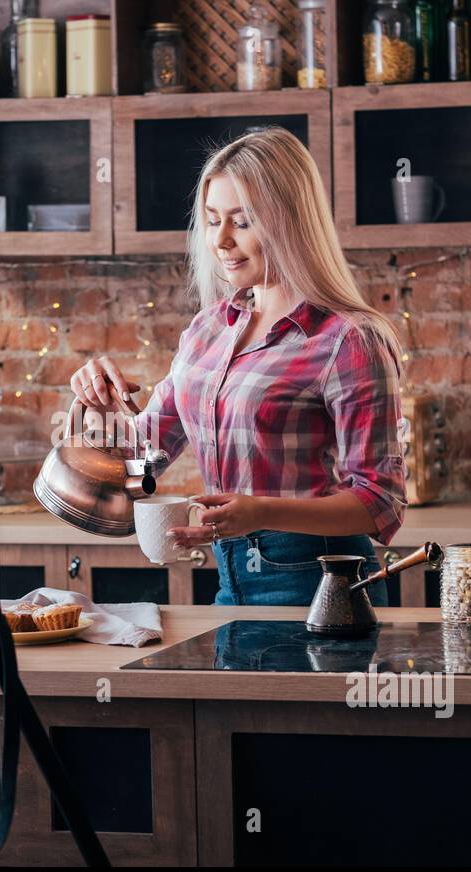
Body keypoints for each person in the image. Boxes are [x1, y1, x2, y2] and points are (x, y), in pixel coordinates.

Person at [69, 128, 407, 607]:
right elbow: (144, 456)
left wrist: (261, 513)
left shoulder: (349, 340)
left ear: (290, 222)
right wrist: (93, 402)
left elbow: (381, 501)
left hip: (322, 580)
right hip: (231, 577)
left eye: (242, 221)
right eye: (212, 220)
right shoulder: (209, 329)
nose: (221, 241)